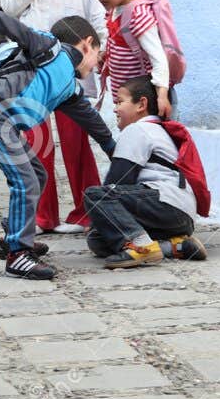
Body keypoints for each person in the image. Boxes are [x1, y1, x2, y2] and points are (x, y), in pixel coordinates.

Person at [0, 0, 114, 279]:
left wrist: (115, 150)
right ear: (87, 44)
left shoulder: (69, 87)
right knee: (26, 179)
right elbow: (12, 26)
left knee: (36, 175)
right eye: (97, 54)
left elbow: (92, 122)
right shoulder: (48, 47)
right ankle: (18, 255)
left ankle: (15, 236)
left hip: (5, 127)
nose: (97, 62)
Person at [0, 0, 108, 233]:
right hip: (31, 63)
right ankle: (43, 215)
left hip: (72, 60)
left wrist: (100, 48)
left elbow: (95, 9)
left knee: (77, 139)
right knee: (35, 140)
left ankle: (87, 210)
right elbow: (10, 8)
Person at [84, 77, 207, 269]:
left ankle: (142, 247)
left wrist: (98, 214)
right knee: (98, 239)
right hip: (183, 217)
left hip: (165, 204)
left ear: (141, 104)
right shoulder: (157, 129)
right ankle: (175, 246)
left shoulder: (138, 129)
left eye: (119, 102)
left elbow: (118, 180)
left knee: (95, 195)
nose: (115, 109)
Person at [90, 0, 174, 118]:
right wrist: (104, 56)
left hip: (145, 102)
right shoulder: (115, 10)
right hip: (128, 100)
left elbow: (158, 58)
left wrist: (162, 96)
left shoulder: (138, 14)